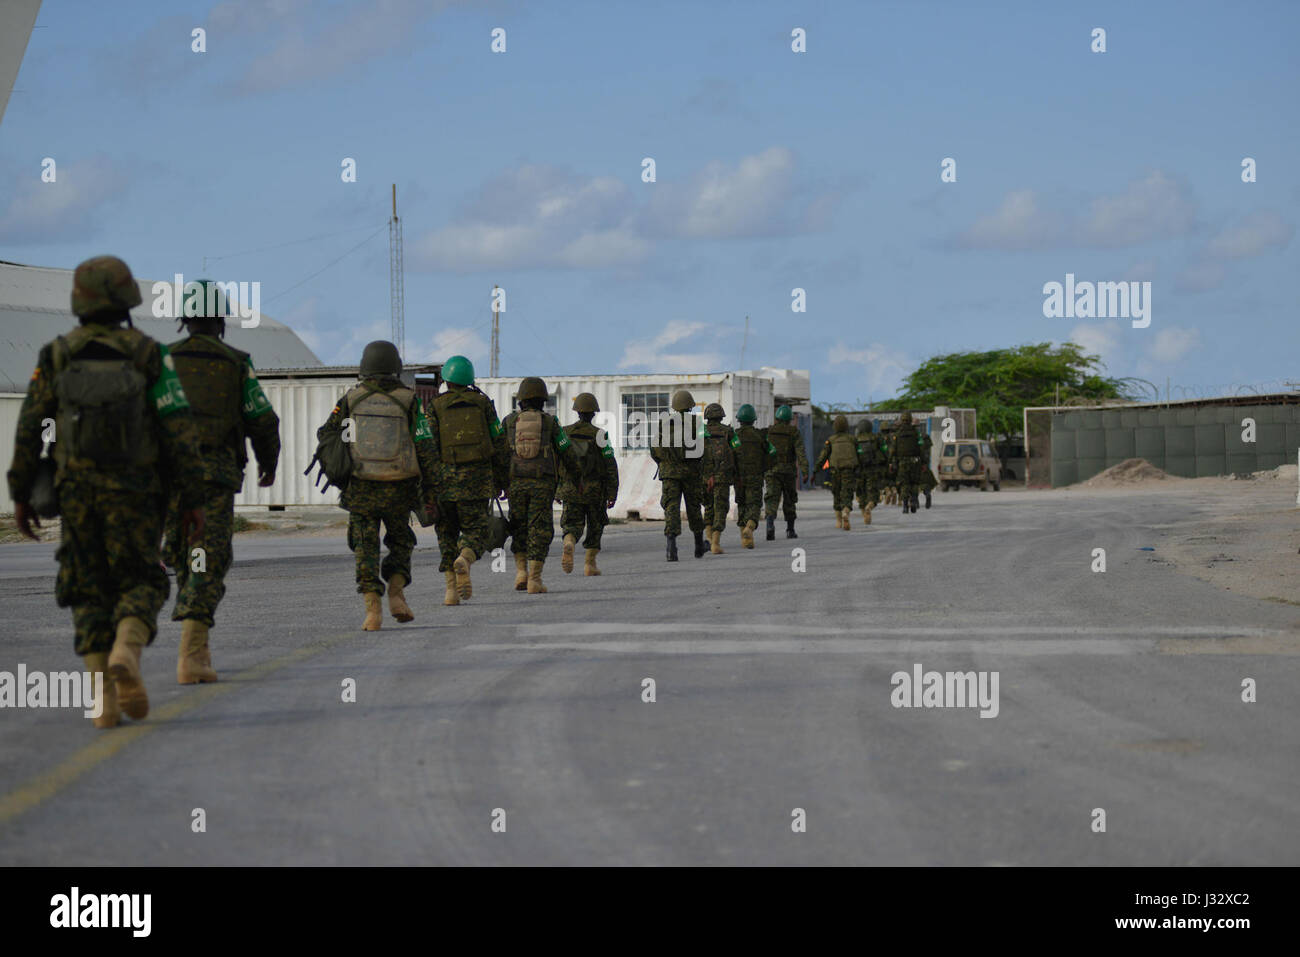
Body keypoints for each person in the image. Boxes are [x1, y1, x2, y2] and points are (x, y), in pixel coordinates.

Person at [7, 255, 205, 728]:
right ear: (128, 299)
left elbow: (29, 427)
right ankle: (127, 650)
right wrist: (192, 496)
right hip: (138, 492)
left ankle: (103, 699)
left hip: (76, 492)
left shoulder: (56, 355)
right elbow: (178, 428)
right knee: (143, 578)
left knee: (86, 587)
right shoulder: (149, 355)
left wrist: (20, 493)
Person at [163, 280, 280, 682]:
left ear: (184, 320)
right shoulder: (235, 363)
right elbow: (262, 419)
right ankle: (192, 655)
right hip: (213, 479)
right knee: (206, 559)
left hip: (167, 480)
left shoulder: (162, 361)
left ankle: (195, 648)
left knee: (181, 554)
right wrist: (270, 462)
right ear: (221, 321)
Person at [318, 341, 439, 629]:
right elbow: (425, 447)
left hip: (361, 488)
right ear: (395, 368)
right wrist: (432, 489)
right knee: (400, 541)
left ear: (365, 368)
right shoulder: (409, 401)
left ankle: (372, 611)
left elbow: (327, 434)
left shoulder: (350, 399)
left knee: (365, 547)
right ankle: (396, 595)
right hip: (399, 487)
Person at [425, 355, 508, 605]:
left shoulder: (435, 406)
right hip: (478, 482)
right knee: (476, 531)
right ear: (470, 379)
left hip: (445, 485)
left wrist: (428, 486)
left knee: (446, 534)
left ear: (446, 380)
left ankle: (451, 591)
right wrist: (502, 480)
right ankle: (467, 557)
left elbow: (428, 446)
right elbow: (499, 442)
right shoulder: (483, 404)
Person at [502, 377, 581, 593]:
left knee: (518, 525)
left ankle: (521, 572)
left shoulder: (508, 422)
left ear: (520, 400)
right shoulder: (551, 423)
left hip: (515, 484)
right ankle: (535, 580)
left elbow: (499, 454)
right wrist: (576, 477)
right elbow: (566, 451)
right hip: (542, 484)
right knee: (540, 529)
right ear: (543, 400)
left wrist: (500, 483)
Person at [557, 392, 619, 576]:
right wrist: (612, 492)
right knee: (595, 526)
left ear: (577, 412)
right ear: (594, 413)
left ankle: (569, 542)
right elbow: (610, 464)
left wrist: (558, 490)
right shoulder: (600, 435)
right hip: (594, 491)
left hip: (570, 488)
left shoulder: (565, 433)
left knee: (571, 525)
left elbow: (557, 462)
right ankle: (589, 564)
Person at [650, 389, 707, 561]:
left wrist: (664, 464)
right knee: (694, 508)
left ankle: (671, 548)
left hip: (669, 474)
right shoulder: (697, 424)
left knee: (671, 509)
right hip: (691, 473)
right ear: (690, 406)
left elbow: (654, 450)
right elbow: (703, 448)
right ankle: (698, 546)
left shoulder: (664, 423)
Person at [763, 404, 809, 540]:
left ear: (777, 418)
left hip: (771, 471)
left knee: (771, 498)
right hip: (788, 472)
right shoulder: (794, 432)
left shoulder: (769, 432)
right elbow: (801, 453)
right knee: (789, 500)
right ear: (789, 419)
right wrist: (805, 471)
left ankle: (770, 525)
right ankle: (790, 530)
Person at [733, 403, 775, 548]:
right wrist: (764, 468)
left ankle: (746, 541)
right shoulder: (760, 437)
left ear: (739, 419)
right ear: (753, 420)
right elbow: (772, 452)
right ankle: (749, 528)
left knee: (742, 505)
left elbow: (729, 456)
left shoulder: (734, 436)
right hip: (755, 477)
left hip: (738, 478)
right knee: (754, 505)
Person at [700, 402, 739, 554]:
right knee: (721, 508)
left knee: (708, 507)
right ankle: (716, 541)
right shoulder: (729, 432)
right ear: (721, 416)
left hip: (704, 477)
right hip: (723, 476)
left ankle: (709, 538)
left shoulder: (699, 432)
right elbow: (738, 450)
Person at [814, 414, 859, 529]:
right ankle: (846, 511)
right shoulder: (853, 439)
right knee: (847, 494)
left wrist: (815, 471)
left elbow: (822, 457)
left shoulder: (831, 440)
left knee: (837, 494)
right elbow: (860, 456)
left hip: (835, 471)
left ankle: (839, 520)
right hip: (849, 471)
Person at [891, 411, 924, 514]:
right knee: (914, 483)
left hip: (902, 463)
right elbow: (921, 448)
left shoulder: (897, 434)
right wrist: (924, 462)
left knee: (904, 484)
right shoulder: (916, 433)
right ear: (910, 420)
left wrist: (892, 462)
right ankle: (913, 500)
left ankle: (905, 505)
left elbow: (893, 450)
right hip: (915, 461)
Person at [854, 419, 883, 526]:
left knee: (861, 493)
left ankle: (864, 515)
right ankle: (869, 506)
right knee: (873, 492)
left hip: (859, 470)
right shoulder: (876, 439)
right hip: (872, 469)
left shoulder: (855, 440)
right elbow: (883, 453)